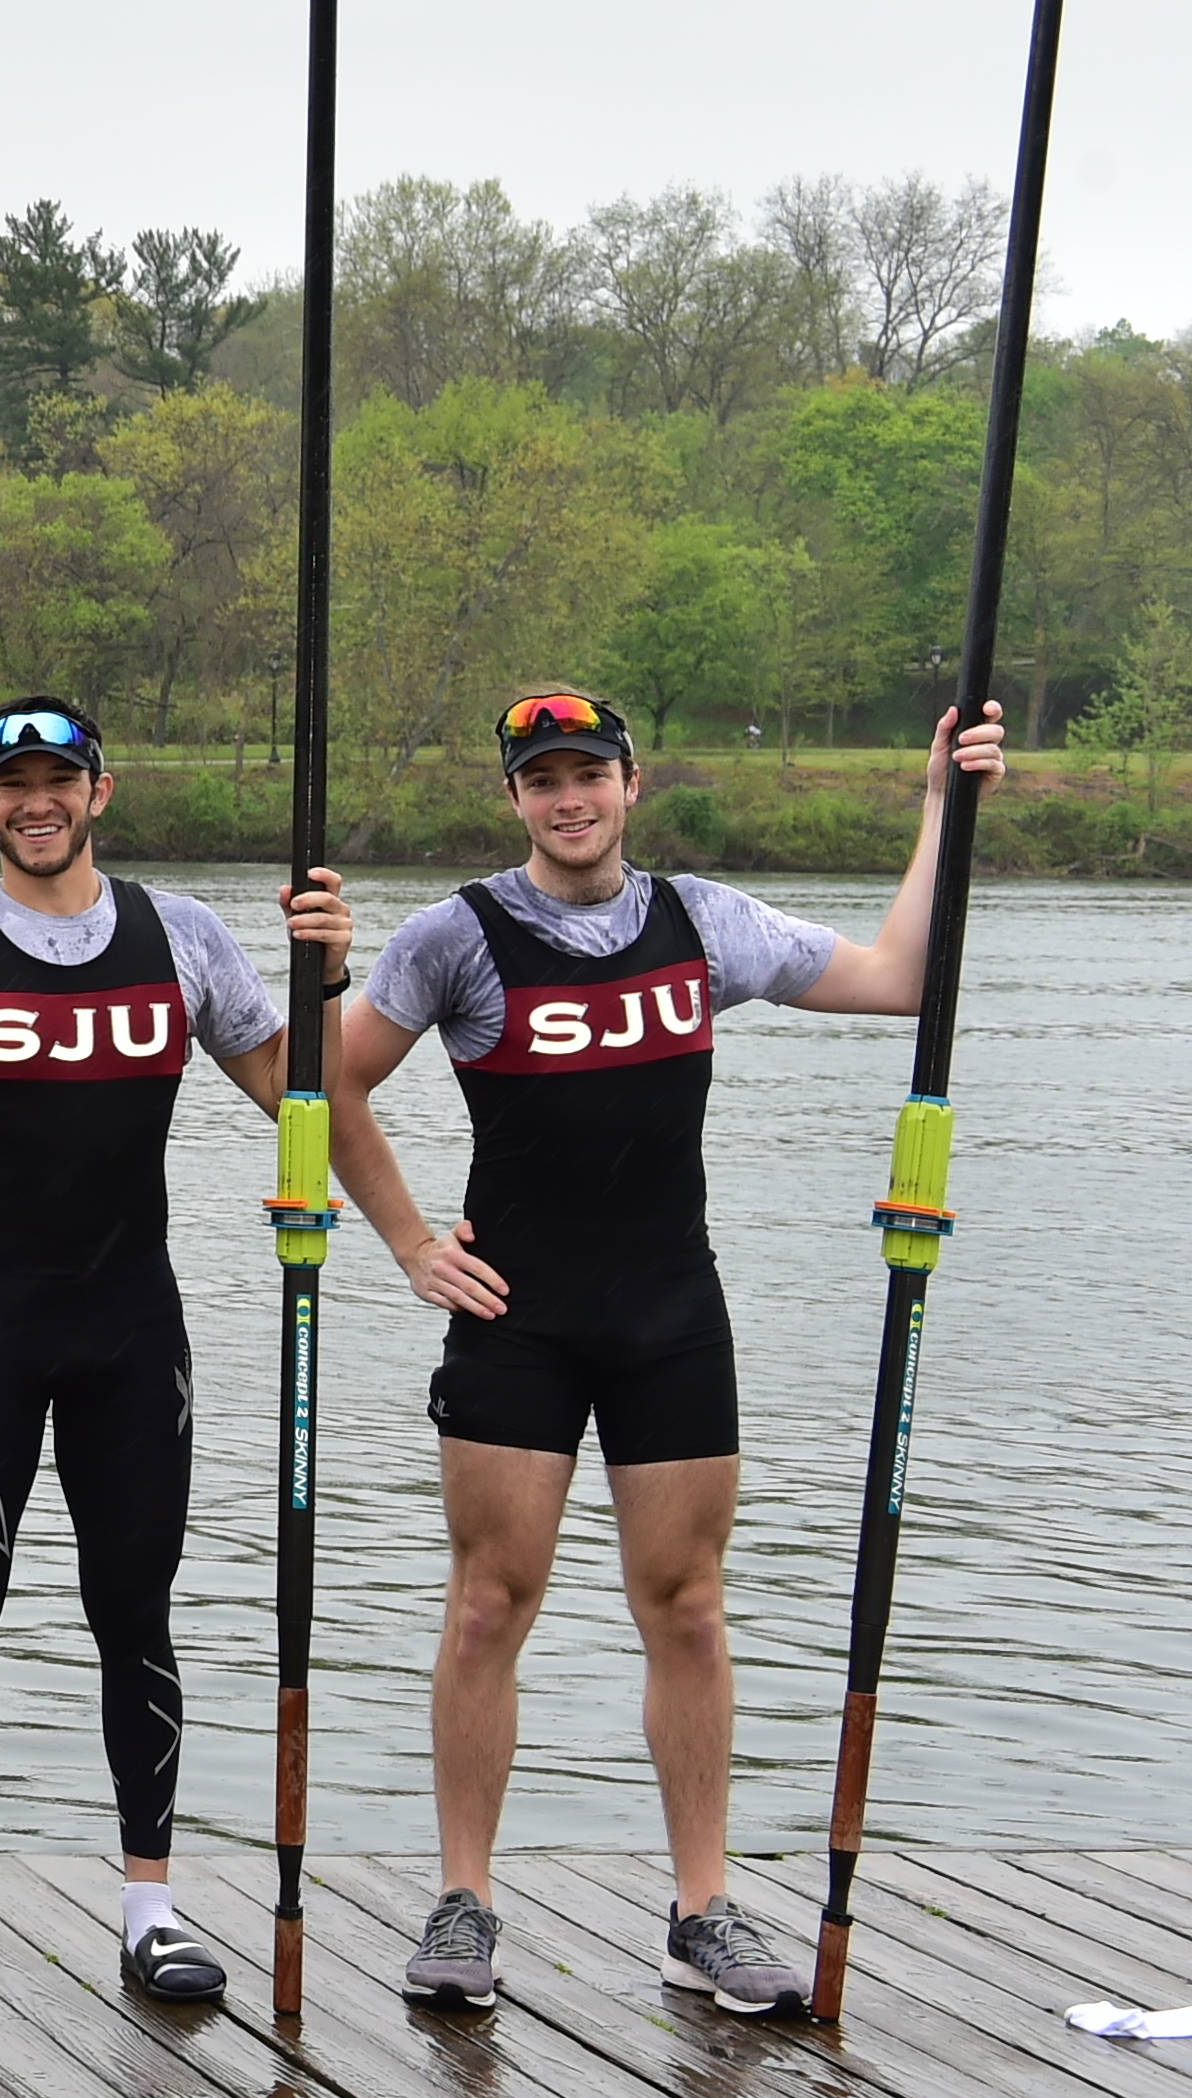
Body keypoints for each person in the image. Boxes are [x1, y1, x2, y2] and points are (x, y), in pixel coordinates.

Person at [335, 690, 1008, 2018]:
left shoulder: (702, 924)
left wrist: (941, 809)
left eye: (590, 776)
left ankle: (701, 1910)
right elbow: (325, 1074)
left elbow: (900, 981)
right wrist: (412, 1242)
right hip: (514, 1322)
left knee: (688, 1605)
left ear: (631, 786)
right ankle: (464, 1902)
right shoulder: (453, 939)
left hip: (669, 1315)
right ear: (515, 798)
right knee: (489, 1603)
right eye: (543, 781)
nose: (568, 800)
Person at [0, 697, 372, 2007]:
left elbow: (306, 1090)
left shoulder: (179, 940)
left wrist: (335, 975)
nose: (36, 802)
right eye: (11, 782)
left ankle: (152, 1909)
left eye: (57, 780)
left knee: (134, 1614)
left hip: (135, 1327)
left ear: (99, 793)